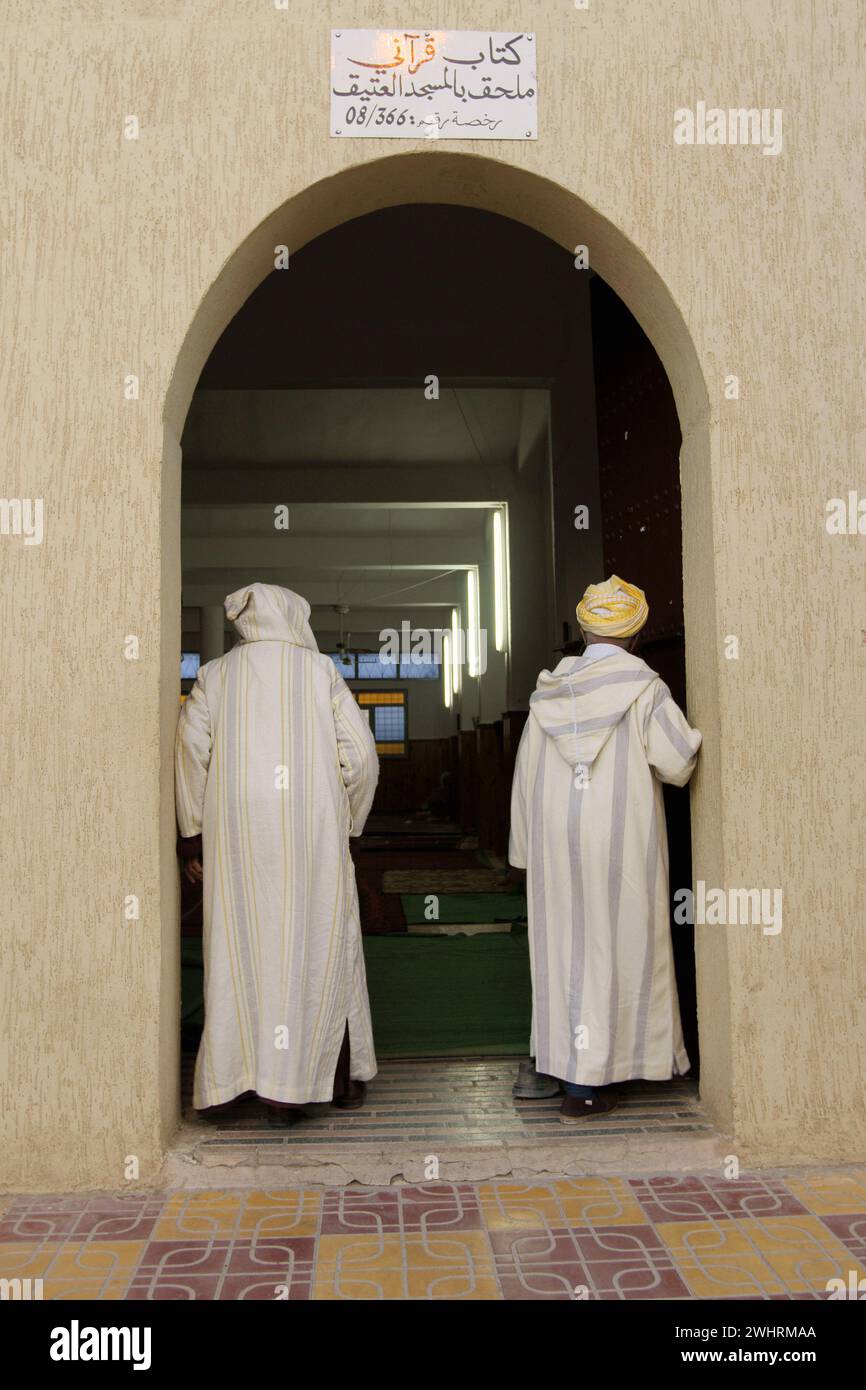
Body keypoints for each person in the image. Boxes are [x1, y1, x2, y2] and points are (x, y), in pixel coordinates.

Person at [175, 582, 379, 1120]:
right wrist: (348, 824)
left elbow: (191, 753)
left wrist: (192, 835)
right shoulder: (320, 673)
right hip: (310, 827)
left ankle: (233, 1084)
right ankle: (317, 1082)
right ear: (295, 619)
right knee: (317, 945)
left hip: (234, 830)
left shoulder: (214, 676)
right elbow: (360, 757)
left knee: (238, 950)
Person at [509, 575, 701, 1123]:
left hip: (555, 843)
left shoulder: (547, 694)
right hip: (620, 842)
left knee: (566, 951)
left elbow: (524, 779)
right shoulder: (645, 689)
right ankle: (596, 1081)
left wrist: (523, 855)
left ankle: (573, 1072)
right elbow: (678, 764)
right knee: (619, 946)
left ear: (586, 633)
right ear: (636, 637)